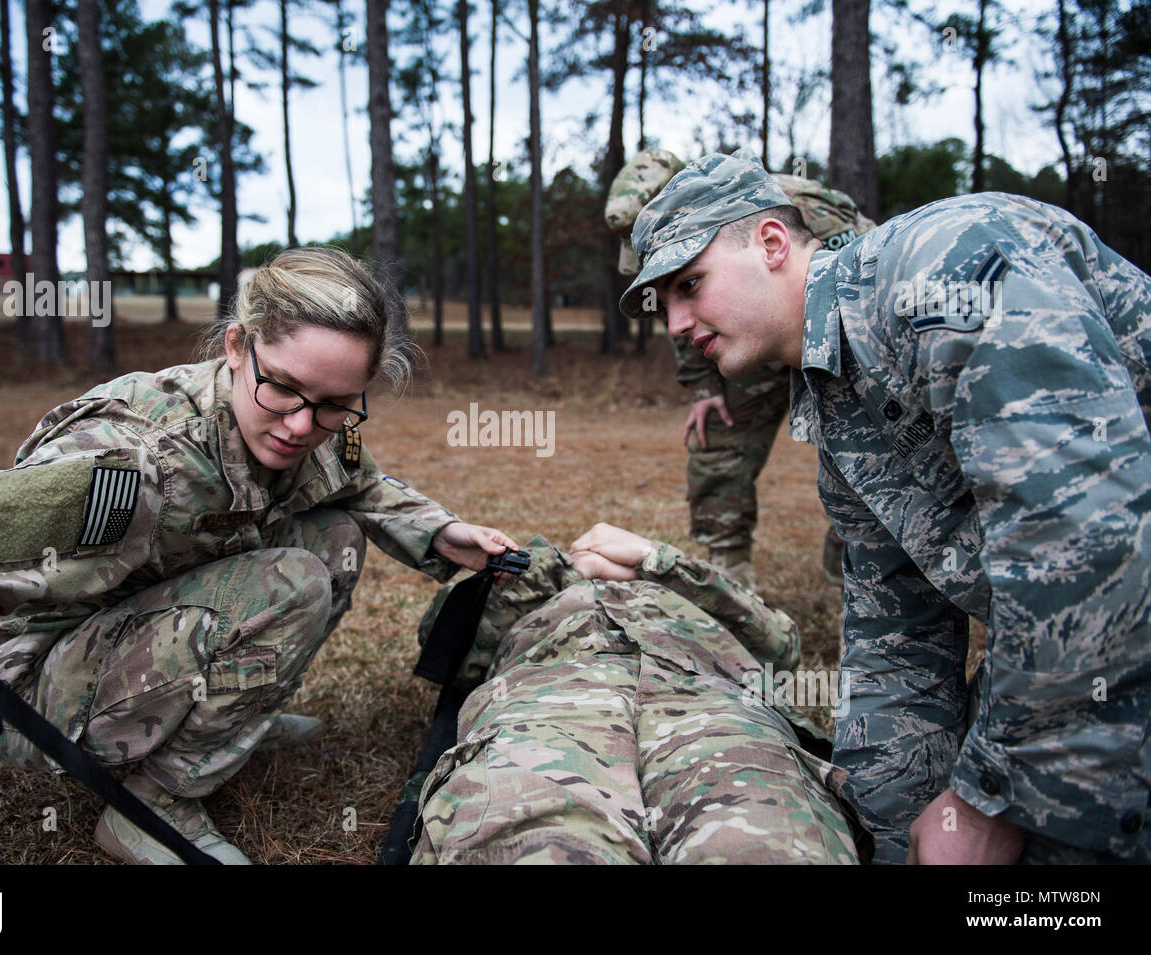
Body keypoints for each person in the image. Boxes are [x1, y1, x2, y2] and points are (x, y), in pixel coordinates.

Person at [0, 246, 517, 865]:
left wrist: (439, 532)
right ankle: (148, 805)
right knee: (292, 582)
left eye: (335, 405)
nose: (299, 425)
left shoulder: (317, 429)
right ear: (236, 346)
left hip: (125, 633)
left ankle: (224, 720)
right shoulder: (132, 458)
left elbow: (360, 484)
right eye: (281, 388)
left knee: (335, 537)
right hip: (30, 687)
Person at [618, 151, 1151, 864]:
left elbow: (1090, 546)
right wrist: (888, 837)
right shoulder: (834, 394)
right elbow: (896, 633)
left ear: (772, 244)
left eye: (690, 283)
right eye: (664, 301)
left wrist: (989, 797)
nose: (676, 322)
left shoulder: (947, 270)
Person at [408, 528, 870, 865]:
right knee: (534, 839)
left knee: (762, 842)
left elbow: (781, 644)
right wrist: (542, 573)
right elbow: (447, 650)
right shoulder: (533, 597)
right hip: (550, 699)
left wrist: (659, 562)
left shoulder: (679, 592)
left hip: (710, 701)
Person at [605, 149, 875, 590]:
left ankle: (857, 562)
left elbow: (859, 265)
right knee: (717, 441)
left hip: (836, 326)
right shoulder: (669, 267)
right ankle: (728, 567)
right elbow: (684, 314)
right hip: (745, 338)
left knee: (865, 443)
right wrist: (702, 387)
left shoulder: (787, 202)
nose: (674, 318)